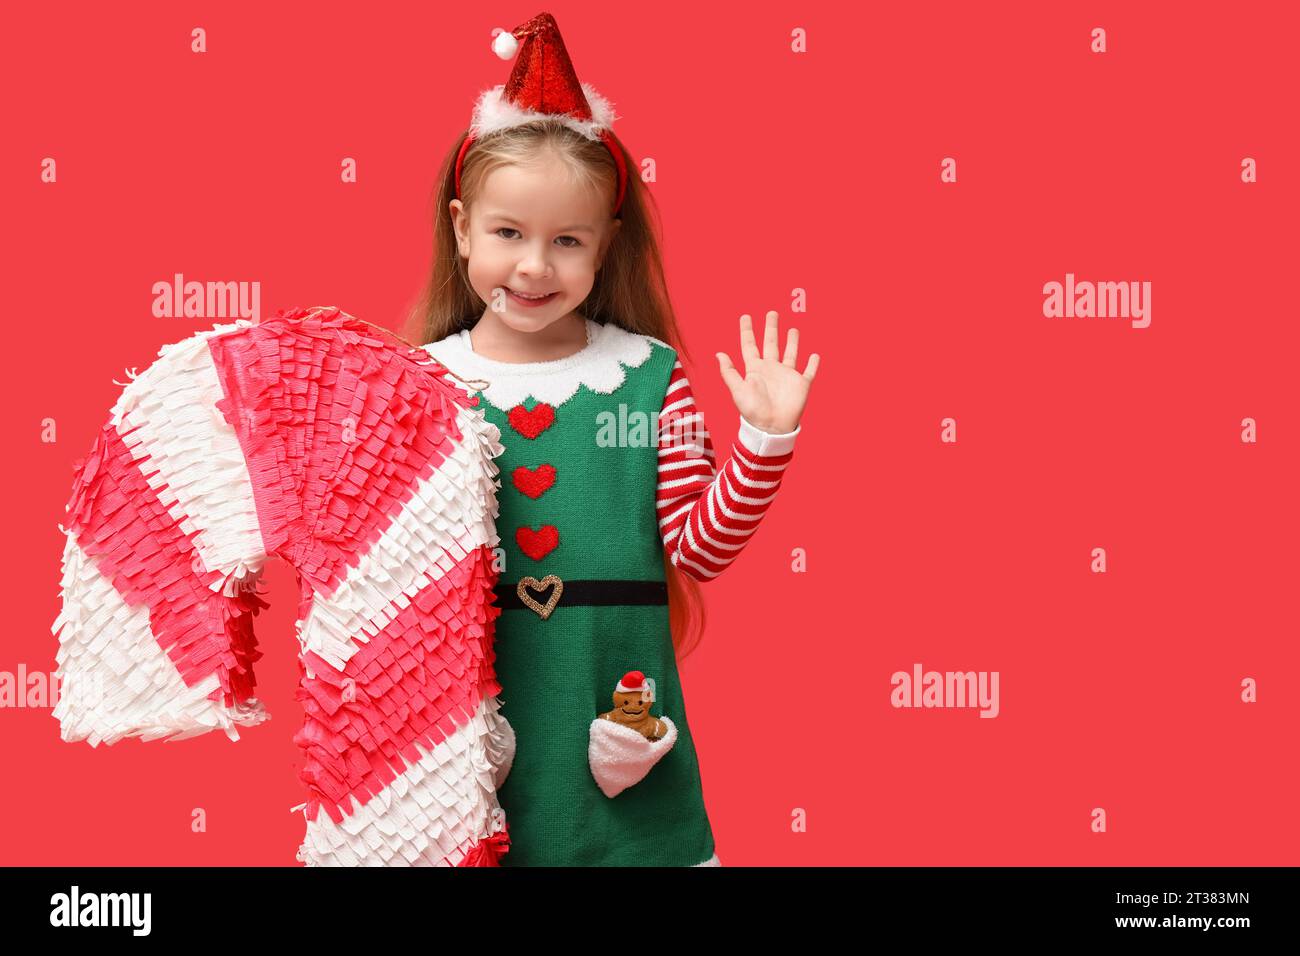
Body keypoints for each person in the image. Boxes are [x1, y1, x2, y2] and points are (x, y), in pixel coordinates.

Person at [406, 12, 819, 866]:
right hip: (467, 708)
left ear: (606, 247)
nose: (533, 267)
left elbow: (697, 551)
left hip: (614, 697)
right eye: (508, 234)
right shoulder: (423, 382)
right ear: (460, 229)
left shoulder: (649, 375)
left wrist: (764, 445)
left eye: (567, 242)